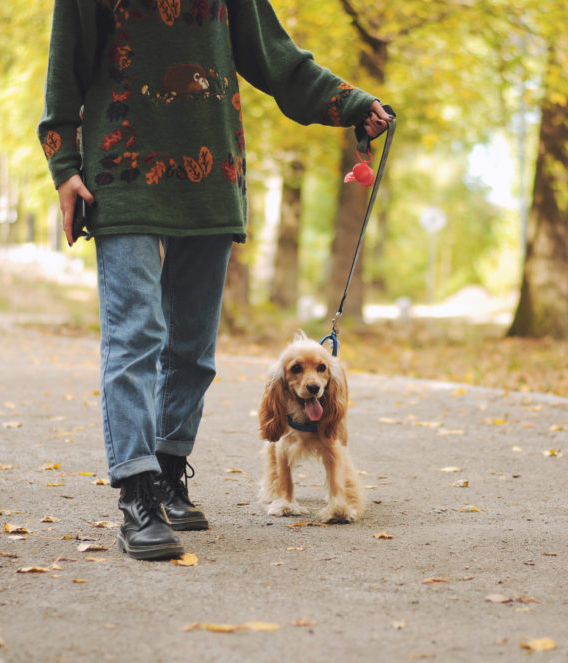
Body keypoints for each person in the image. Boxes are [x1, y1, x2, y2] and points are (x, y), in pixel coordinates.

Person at [38, 0, 392, 561]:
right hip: (121, 173)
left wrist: (350, 102)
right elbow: (66, 68)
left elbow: (277, 59)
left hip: (212, 177)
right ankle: (137, 495)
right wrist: (64, 167)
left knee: (193, 347)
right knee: (135, 334)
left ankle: (168, 471)